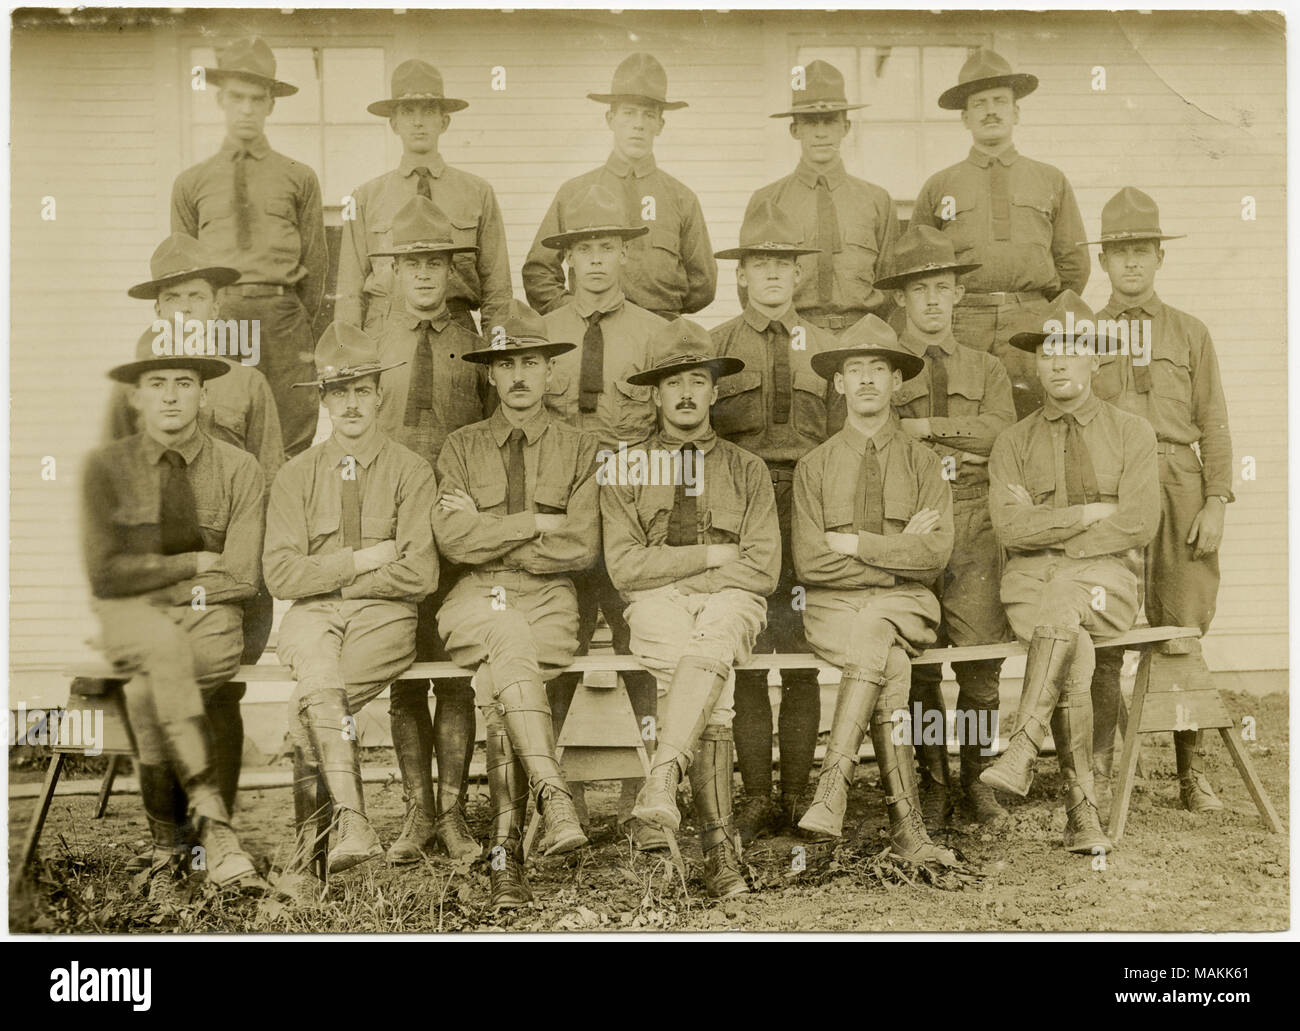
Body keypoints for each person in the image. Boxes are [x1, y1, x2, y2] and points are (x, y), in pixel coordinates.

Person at [105, 234, 283, 874]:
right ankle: (175, 841)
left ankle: (211, 839)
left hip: (234, 585)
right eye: (172, 297)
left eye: (197, 296)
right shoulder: (138, 381)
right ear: (159, 309)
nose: (185, 308)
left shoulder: (249, 381)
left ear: (217, 306)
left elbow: (266, 479)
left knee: (221, 689)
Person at [82, 346, 268, 899]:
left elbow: (243, 576)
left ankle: (170, 849)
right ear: (136, 397)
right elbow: (103, 575)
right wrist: (189, 566)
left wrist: (160, 585)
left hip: (213, 619)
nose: (169, 394)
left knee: (147, 689)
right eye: (156, 383)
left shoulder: (240, 468)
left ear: (204, 394)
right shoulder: (105, 469)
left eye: (183, 382)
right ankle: (214, 837)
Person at [602, 318, 780, 897]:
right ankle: (719, 850)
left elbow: (763, 569)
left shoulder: (746, 469)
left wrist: (693, 579)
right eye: (673, 380)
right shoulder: (626, 467)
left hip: (730, 600)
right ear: (654, 393)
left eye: (697, 380)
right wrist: (708, 554)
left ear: (714, 390)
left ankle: (662, 783)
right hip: (656, 603)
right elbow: (626, 567)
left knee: (711, 641)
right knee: (708, 677)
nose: (685, 392)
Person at [434, 302, 600, 909]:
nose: (521, 375)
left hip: (552, 601)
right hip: (476, 596)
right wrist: (535, 522)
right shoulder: (459, 447)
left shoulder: (582, 449)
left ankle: (506, 858)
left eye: (532, 361)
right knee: (506, 638)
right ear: (491, 376)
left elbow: (581, 546)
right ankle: (551, 800)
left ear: (551, 371)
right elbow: (451, 540)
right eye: (507, 364)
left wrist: (491, 530)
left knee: (502, 679)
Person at [981, 292, 1160, 855]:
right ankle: (1081, 815)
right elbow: (1010, 530)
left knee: (1066, 600)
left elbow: (1137, 521)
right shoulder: (1013, 441)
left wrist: (1049, 527)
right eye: (1048, 351)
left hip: (1109, 585)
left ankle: (1023, 744)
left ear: (1095, 360)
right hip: (1031, 587)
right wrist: (1085, 514)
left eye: (1072, 348)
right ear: (1036, 363)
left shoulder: (1133, 432)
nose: (1058, 361)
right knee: (1072, 644)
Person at [263, 323, 438, 881]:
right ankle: (352, 824)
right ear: (323, 400)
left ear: (380, 396)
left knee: (306, 708)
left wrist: (331, 580)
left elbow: (419, 573)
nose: (353, 403)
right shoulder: (296, 475)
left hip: (384, 620)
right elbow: (280, 574)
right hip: (311, 619)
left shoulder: (411, 470)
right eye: (340, 392)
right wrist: (363, 561)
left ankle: (310, 859)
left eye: (363, 389)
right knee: (316, 685)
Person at [1084, 187, 1234, 811]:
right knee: (1102, 627)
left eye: (1143, 250)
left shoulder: (1191, 332)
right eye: (1119, 252)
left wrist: (1218, 499)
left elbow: (1216, 420)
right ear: (1104, 262)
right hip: (1114, 488)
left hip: (1180, 483)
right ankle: (1096, 769)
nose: (1132, 264)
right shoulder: (1084, 333)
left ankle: (1188, 772)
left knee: (1180, 627)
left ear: (1159, 258)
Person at [791, 316, 959, 866]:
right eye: (853, 369)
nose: (865, 380)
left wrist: (854, 544)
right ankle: (907, 829)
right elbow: (810, 562)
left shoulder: (925, 462)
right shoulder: (813, 467)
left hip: (909, 605)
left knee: (877, 627)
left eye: (878, 370)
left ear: (896, 383)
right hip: (834, 609)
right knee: (887, 658)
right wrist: (894, 554)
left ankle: (833, 780)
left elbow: (934, 555)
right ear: (837, 383)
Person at [536, 183, 668, 843]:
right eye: (584, 248)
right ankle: (559, 799)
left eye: (607, 247)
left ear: (624, 255)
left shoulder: (652, 334)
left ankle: (651, 794)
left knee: (638, 644)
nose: (595, 261)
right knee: (556, 646)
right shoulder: (542, 335)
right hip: (559, 513)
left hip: (627, 512)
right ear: (567, 258)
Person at [709, 198, 844, 841]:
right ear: (740, 275)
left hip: (810, 504)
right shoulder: (715, 348)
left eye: (782, 265)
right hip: (741, 506)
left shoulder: (826, 348)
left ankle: (797, 791)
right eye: (759, 263)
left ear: (798, 277)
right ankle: (757, 796)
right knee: (750, 651)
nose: (770, 275)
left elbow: (845, 439)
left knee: (800, 653)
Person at [877, 225, 1016, 828]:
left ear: (958, 294)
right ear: (901, 299)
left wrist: (924, 431)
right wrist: (951, 437)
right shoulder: (884, 366)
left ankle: (976, 778)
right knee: (919, 658)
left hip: (974, 514)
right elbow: (877, 435)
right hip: (910, 518)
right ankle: (931, 783)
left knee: (981, 659)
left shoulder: (986, 367)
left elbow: (1000, 433)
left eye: (942, 288)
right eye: (919, 290)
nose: (932, 300)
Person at [370, 195, 489, 864]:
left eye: (436, 262)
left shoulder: (473, 340)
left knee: (457, 670)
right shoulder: (373, 337)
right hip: (394, 525)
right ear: (393, 267)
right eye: (412, 261)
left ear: (450, 269)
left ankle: (455, 814)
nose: (423, 274)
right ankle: (416, 814)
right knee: (406, 669)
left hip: (458, 522)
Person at [172, 36, 327, 458]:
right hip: (223, 319)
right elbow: (182, 271)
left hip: (282, 318)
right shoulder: (192, 182)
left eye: (256, 99)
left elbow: (315, 262)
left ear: (270, 105)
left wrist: (292, 318)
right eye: (237, 98)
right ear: (221, 100)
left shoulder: (299, 177)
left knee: (292, 429)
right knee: (222, 425)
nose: (246, 109)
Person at [911, 48, 1088, 417]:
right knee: (961, 412)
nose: (990, 111)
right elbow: (918, 265)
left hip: (1031, 316)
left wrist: (1043, 313)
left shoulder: (1049, 179)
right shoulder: (939, 184)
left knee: (1036, 414)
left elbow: (1073, 263)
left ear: (1016, 111)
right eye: (979, 104)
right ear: (965, 117)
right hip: (963, 319)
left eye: (999, 101)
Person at [522, 53, 716, 319]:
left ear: (660, 125)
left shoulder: (681, 198)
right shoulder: (575, 192)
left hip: (661, 334)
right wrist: (574, 314)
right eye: (629, 113)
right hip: (593, 329)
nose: (638, 124)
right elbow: (538, 271)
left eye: (648, 115)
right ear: (610, 119)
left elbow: (703, 285)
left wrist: (661, 314)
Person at [336, 59, 511, 338]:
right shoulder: (366, 197)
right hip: (384, 330)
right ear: (394, 123)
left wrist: (497, 352)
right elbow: (349, 292)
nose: (418, 122)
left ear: (444, 122)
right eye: (407, 112)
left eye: (429, 111)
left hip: (456, 330)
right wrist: (349, 354)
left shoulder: (477, 192)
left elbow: (497, 287)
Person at [743, 59, 898, 332]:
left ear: (846, 127)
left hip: (861, 333)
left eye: (830, 121)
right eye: (811, 122)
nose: (821, 132)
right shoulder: (767, 201)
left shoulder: (876, 200)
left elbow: (891, 282)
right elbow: (750, 289)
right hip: (793, 332)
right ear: (795, 130)